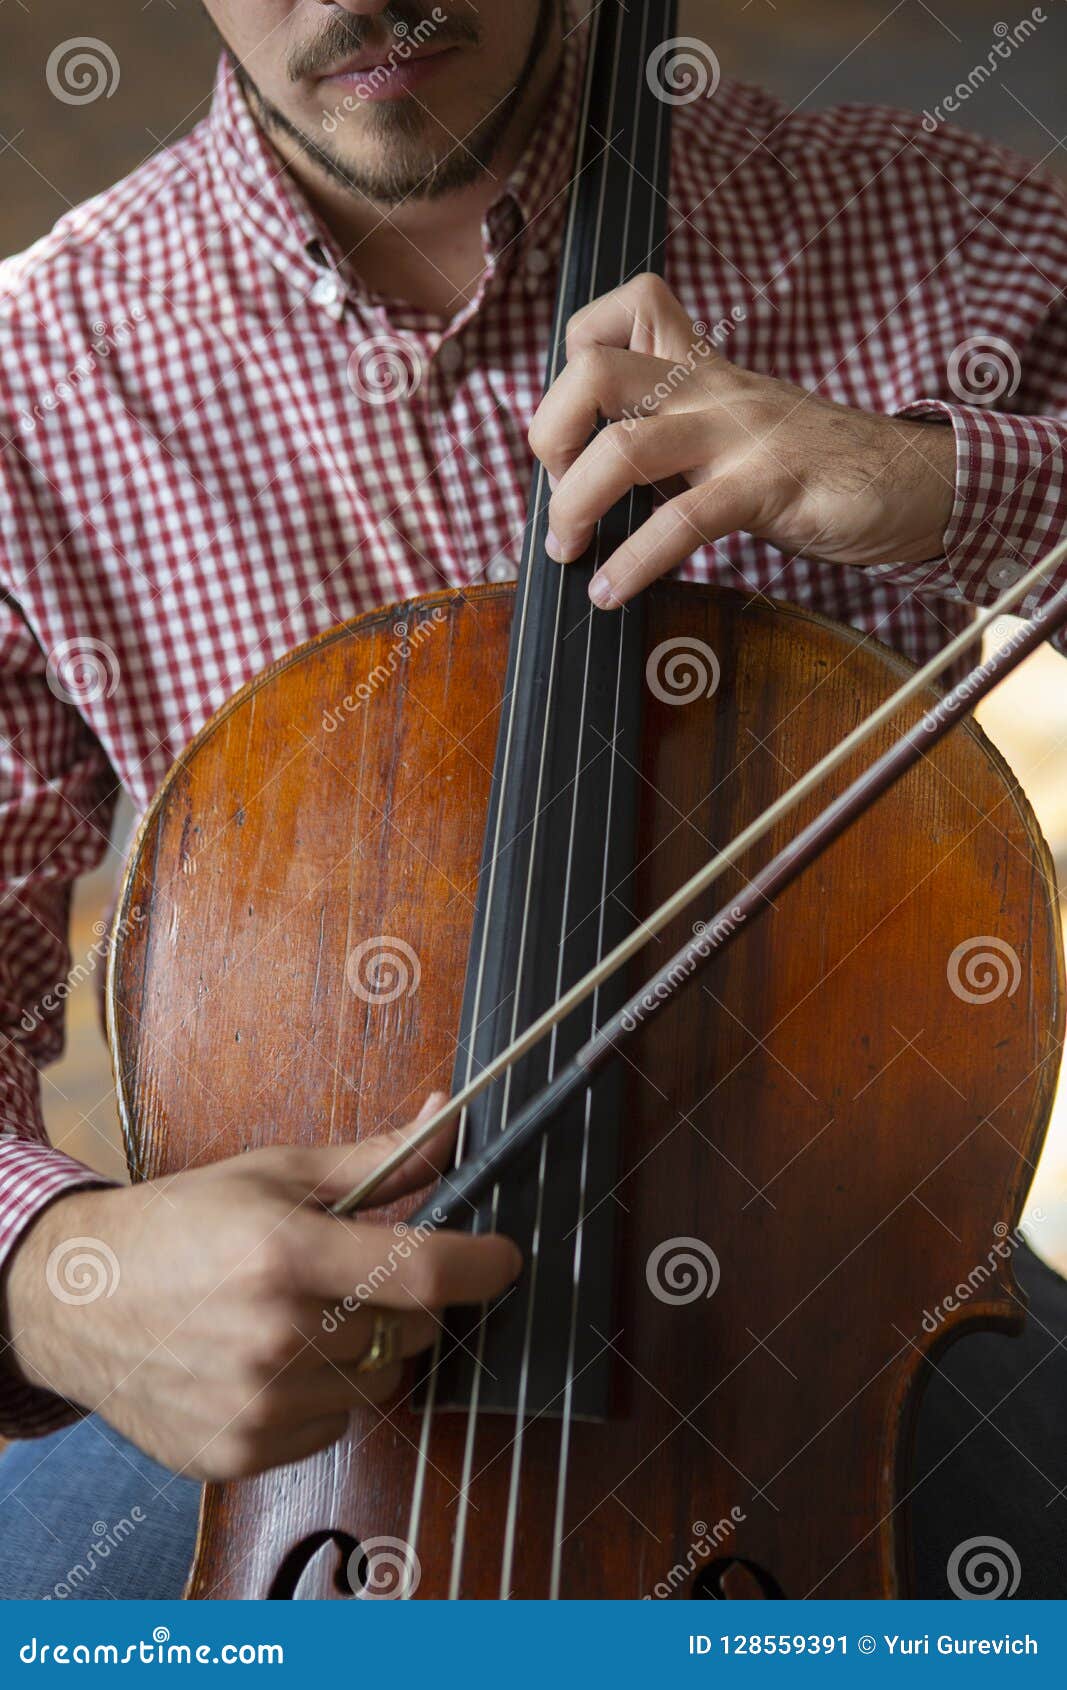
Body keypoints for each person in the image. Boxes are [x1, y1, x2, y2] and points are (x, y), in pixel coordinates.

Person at [0, 0, 1065, 1600]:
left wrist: (932, 482)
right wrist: (54, 1274)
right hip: (307, 1445)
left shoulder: (954, 230)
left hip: (862, 1324)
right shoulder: (31, 382)